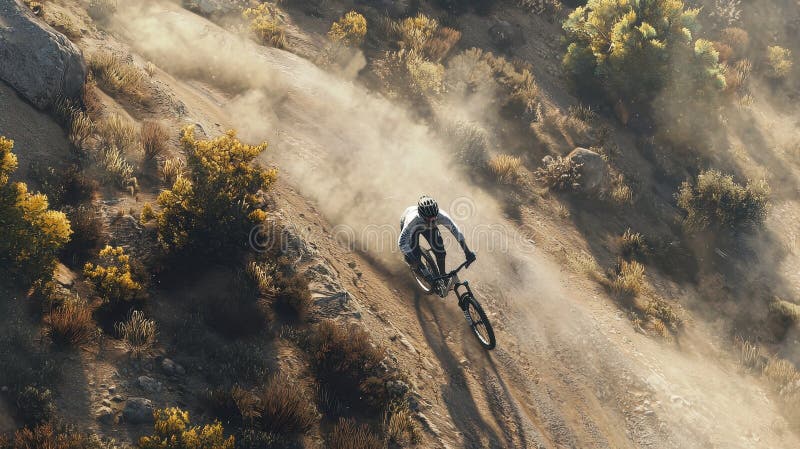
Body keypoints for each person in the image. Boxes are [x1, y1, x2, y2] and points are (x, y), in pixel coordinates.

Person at [399, 195, 476, 295]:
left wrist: (467, 252)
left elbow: (456, 231)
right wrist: (417, 262)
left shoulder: (441, 215)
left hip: (428, 228)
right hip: (413, 228)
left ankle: (442, 277)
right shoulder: (412, 220)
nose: (432, 221)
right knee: (415, 257)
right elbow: (402, 243)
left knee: (440, 251)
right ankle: (419, 271)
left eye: (434, 219)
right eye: (429, 219)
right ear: (421, 215)